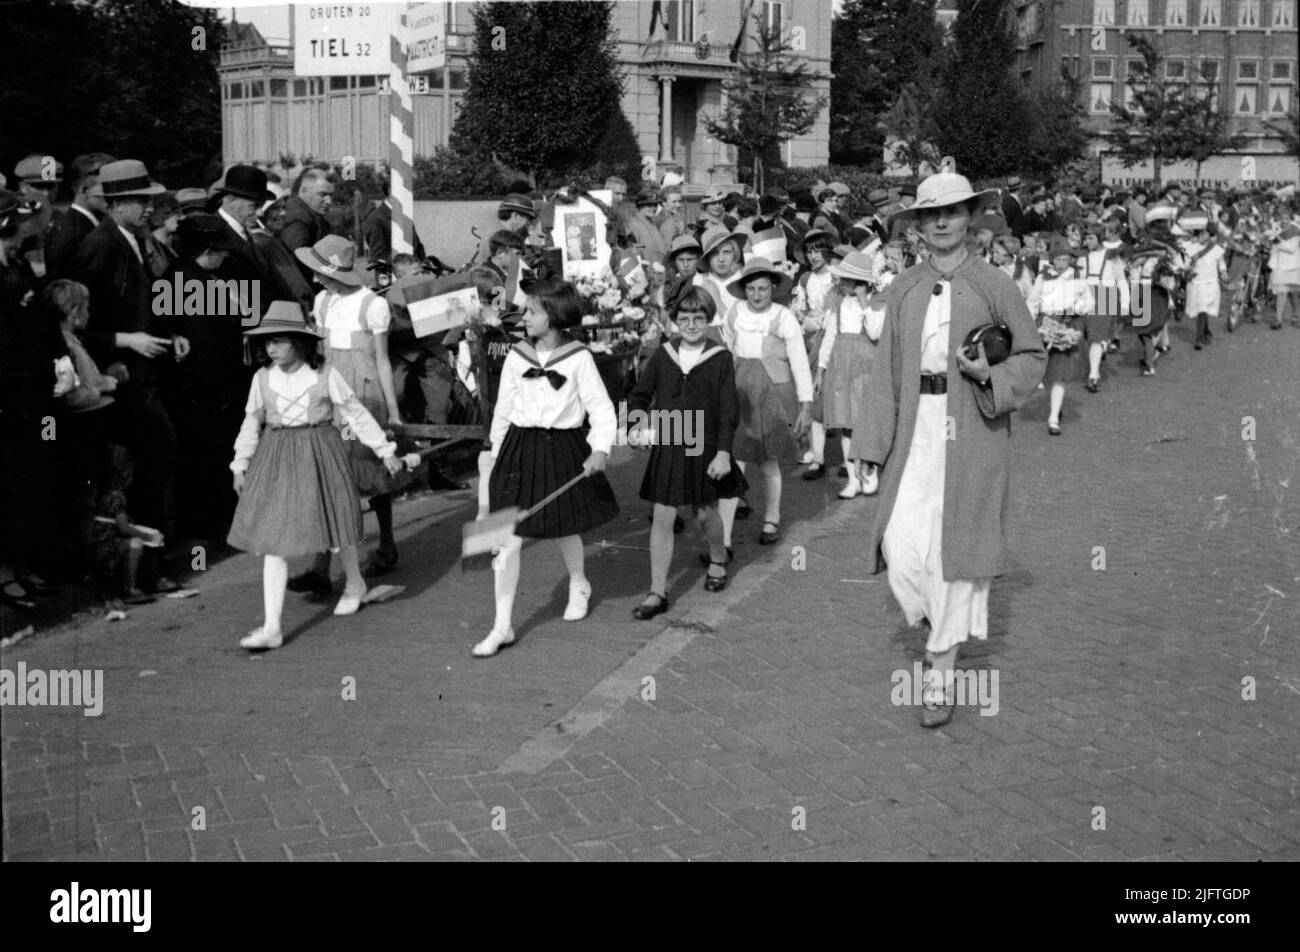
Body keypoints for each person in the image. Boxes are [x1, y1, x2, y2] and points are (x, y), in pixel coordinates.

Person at [850, 158, 1045, 728]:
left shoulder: (994, 283)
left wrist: (990, 377)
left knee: (957, 553)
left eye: (952, 212)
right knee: (904, 549)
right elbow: (886, 369)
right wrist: (870, 444)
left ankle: (939, 677)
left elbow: (1033, 354)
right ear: (918, 222)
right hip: (917, 430)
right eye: (931, 213)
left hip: (974, 429)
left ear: (970, 217)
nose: (941, 223)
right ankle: (938, 625)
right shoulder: (906, 287)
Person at [228, 302, 404, 650]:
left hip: (320, 451)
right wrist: (239, 462)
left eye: (279, 341)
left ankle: (355, 583)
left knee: (335, 526)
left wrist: (385, 450)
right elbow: (252, 420)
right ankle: (271, 626)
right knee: (272, 539)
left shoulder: (325, 375)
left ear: (300, 342)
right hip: (276, 457)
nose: (271, 349)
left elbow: (356, 414)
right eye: (267, 342)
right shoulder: (262, 379)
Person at [473, 276, 619, 658]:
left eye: (532, 311)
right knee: (505, 539)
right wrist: (493, 455)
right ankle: (502, 625)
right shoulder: (516, 354)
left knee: (562, 525)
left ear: (553, 317)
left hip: (561, 448)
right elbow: (503, 408)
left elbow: (602, 410)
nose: (524, 316)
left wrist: (600, 449)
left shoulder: (579, 357)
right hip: (519, 448)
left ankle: (578, 582)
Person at [74, 160, 187, 583]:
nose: (148, 208)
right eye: (141, 201)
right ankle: (144, 568)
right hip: (122, 377)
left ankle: (153, 562)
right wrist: (126, 341)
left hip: (145, 372)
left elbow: (144, 302)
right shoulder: (99, 246)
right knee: (152, 459)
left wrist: (168, 332)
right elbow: (78, 322)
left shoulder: (131, 239)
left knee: (159, 459)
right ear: (117, 203)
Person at [291, 235, 406, 586]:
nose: (315, 279)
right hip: (329, 391)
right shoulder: (323, 301)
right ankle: (321, 567)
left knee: (367, 469)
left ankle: (386, 543)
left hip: (364, 394)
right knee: (331, 472)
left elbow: (382, 361)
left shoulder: (372, 305)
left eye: (320, 272)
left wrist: (393, 410)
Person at [626, 287, 744, 618]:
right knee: (663, 514)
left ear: (709, 320)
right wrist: (637, 425)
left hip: (704, 446)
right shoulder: (663, 355)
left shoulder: (719, 358)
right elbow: (639, 395)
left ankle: (718, 558)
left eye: (699, 318)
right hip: (669, 443)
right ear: (674, 320)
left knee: (705, 513)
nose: (691, 325)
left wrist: (723, 453)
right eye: (684, 318)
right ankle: (657, 591)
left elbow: (727, 411)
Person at [720, 257, 814, 547]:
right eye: (751, 289)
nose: (757, 295)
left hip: (773, 393)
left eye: (762, 289)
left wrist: (805, 405)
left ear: (773, 288)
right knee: (732, 458)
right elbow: (726, 350)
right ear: (743, 290)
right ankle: (722, 536)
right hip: (740, 393)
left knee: (767, 460)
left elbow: (799, 362)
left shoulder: (783, 316)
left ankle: (772, 518)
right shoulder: (735, 313)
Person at [167, 214, 248, 540]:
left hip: (209, 388)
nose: (226, 255)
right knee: (207, 459)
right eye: (220, 249)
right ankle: (209, 527)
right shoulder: (189, 282)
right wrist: (222, 391)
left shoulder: (193, 276)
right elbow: (204, 342)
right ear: (206, 249)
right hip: (207, 391)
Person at [816, 250, 884, 498]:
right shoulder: (840, 303)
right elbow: (831, 336)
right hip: (841, 365)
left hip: (866, 366)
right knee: (845, 422)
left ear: (860, 283)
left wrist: (865, 301)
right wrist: (821, 369)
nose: (840, 283)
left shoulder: (877, 303)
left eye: (846, 279)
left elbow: (876, 332)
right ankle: (853, 478)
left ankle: (868, 469)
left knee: (863, 421)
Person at [1027, 236, 1091, 435]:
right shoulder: (1043, 277)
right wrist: (1029, 324)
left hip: (1067, 324)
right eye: (1058, 259)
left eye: (1065, 259)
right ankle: (1055, 402)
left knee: (1060, 373)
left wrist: (1076, 308)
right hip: (1045, 324)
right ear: (1052, 260)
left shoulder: (1077, 277)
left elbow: (1089, 301)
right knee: (1047, 372)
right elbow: (1032, 302)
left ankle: (1053, 417)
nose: (1062, 263)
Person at [44, 153, 114, 281]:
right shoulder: (73, 234)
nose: (115, 196)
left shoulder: (82, 226)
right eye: (107, 189)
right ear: (85, 190)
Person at [1077, 224, 1128, 390]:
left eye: (1090, 238)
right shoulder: (1081, 257)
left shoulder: (1112, 256)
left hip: (1106, 296)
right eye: (1085, 238)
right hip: (1086, 297)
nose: (1087, 241)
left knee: (1096, 337)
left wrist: (1126, 303)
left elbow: (1121, 279)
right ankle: (1102, 348)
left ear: (1100, 238)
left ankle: (1093, 375)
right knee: (1087, 337)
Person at [1178, 211, 1226, 350]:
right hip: (1196, 283)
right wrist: (1189, 267)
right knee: (1200, 310)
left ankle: (1198, 338)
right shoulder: (1191, 248)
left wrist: (1223, 273)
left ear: (1210, 235)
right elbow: (1185, 265)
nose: (1203, 236)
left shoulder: (1216, 249)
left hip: (1210, 283)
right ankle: (1205, 329)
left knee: (1203, 308)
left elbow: (1221, 263)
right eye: (1201, 233)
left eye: (1205, 234)